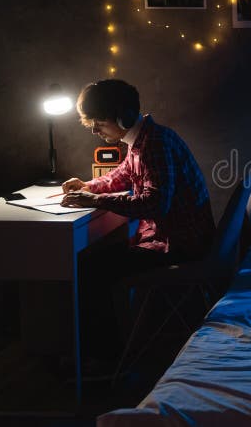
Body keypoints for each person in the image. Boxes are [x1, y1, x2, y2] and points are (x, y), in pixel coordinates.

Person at [60, 79, 215, 368]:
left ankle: (104, 359)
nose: (95, 130)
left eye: (99, 122)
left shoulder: (154, 144)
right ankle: (107, 351)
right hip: (176, 238)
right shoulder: (143, 141)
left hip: (178, 245)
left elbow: (155, 203)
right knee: (95, 262)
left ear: (123, 116)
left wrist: (95, 202)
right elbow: (121, 176)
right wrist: (89, 186)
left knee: (90, 268)